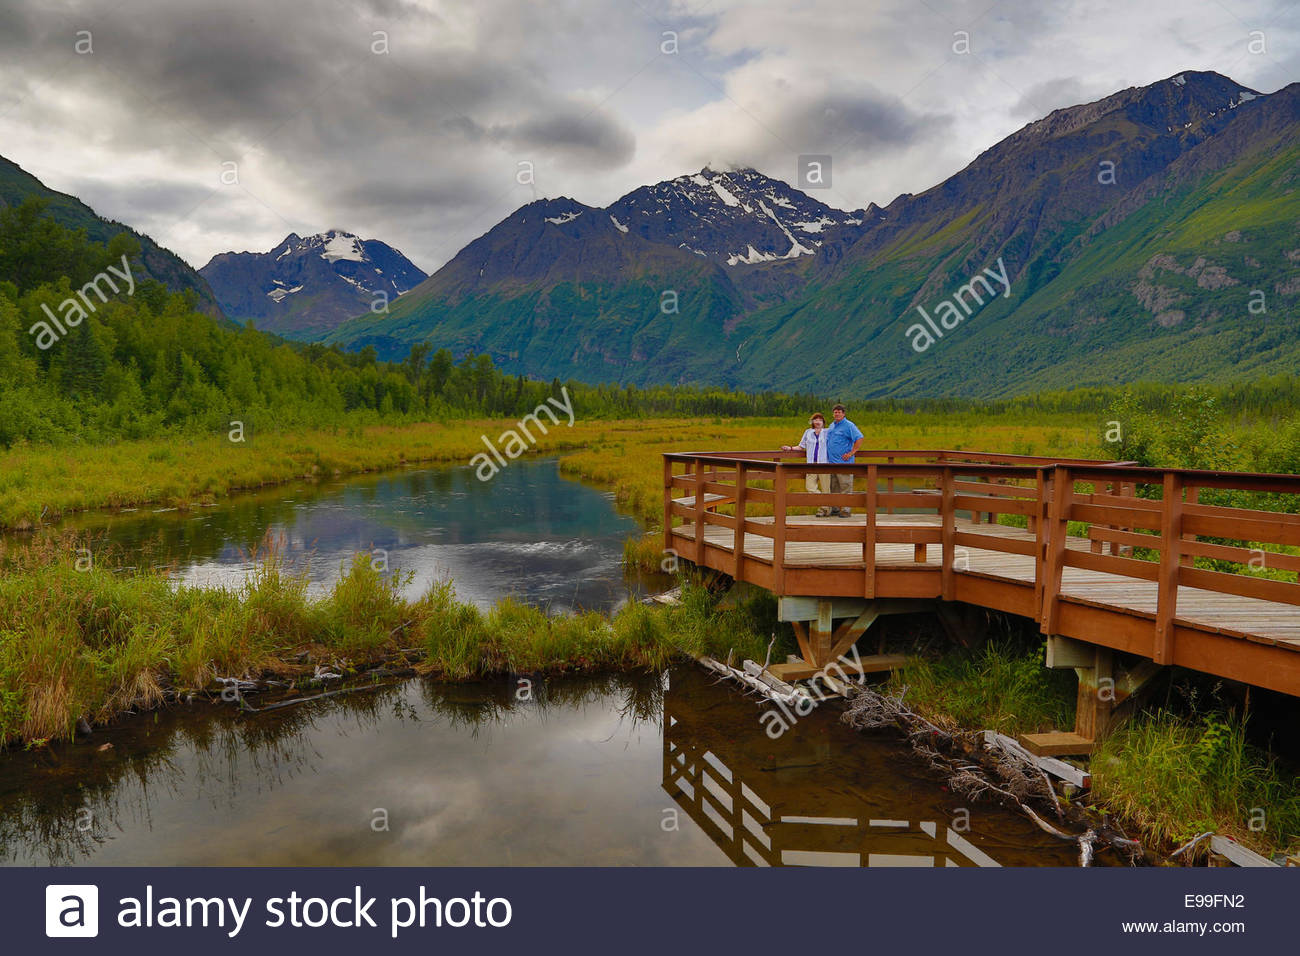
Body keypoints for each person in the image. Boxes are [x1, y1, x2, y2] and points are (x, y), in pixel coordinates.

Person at [782, 412, 833, 517]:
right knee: (810, 487)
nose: (817, 422)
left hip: (824, 464)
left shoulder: (828, 432)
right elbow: (801, 446)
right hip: (811, 464)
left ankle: (824, 510)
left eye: (820, 420)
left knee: (825, 488)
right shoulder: (808, 432)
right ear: (812, 422)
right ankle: (825, 504)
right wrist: (790, 448)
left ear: (823, 422)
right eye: (815, 420)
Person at [824, 403, 864, 517]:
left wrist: (852, 452)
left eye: (839, 412)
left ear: (843, 414)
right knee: (834, 487)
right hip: (831, 463)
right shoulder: (832, 425)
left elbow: (859, 438)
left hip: (844, 463)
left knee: (845, 487)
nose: (837, 414)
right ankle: (835, 508)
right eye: (835, 412)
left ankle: (846, 510)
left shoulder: (849, 425)